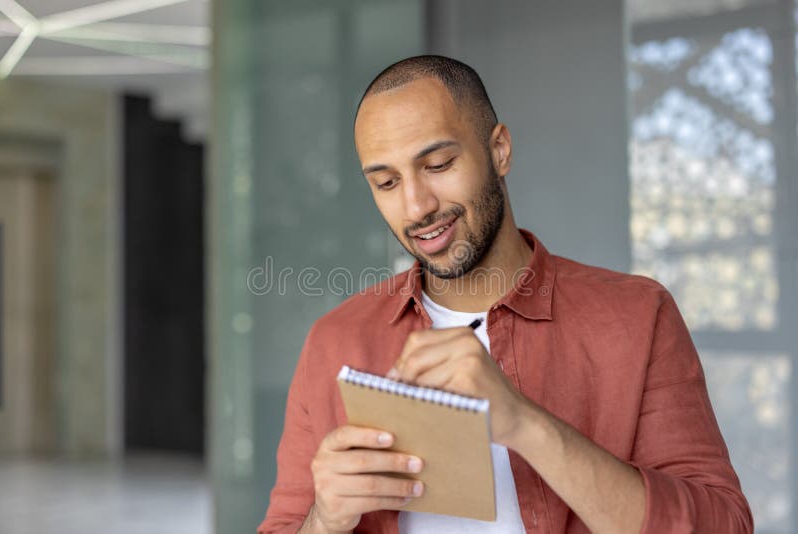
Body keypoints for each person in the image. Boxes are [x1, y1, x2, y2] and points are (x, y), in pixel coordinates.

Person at [258, 55, 753, 534]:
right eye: (386, 182)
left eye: (438, 164)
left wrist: (525, 425)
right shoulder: (335, 340)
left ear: (499, 150)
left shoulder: (638, 317)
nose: (416, 206)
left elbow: (724, 526)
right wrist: (325, 520)